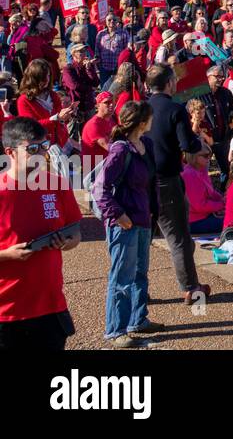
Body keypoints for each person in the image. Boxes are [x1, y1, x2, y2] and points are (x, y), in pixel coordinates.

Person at [0, 117, 82, 350]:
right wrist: (7, 255)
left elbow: (75, 232)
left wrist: (67, 242)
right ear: (10, 152)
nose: (41, 154)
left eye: (44, 147)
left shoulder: (56, 184)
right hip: (6, 312)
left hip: (50, 307)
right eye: (32, 149)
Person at [92, 101, 164, 347]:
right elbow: (99, 189)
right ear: (142, 122)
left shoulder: (147, 145)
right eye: (150, 118)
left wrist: (154, 212)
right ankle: (115, 330)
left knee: (140, 273)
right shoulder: (121, 150)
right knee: (121, 277)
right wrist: (118, 215)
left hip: (143, 219)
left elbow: (151, 182)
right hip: (124, 223)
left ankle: (137, 319)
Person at [145, 64, 208, 306]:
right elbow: (188, 145)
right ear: (170, 83)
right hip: (167, 180)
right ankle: (191, 287)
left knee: (143, 238)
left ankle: (140, 290)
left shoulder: (142, 107)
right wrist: (196, 141)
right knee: (178, 236)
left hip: (142, 180)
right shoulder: (175, 109)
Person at [182, 145, 225, 234]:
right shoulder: (190, 174)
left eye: (210, 155)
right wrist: (222, 204)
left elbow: (212, 192)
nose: (209, 158)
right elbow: (200, 205)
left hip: (204, 216)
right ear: (194, 156)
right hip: (194, 222)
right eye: (205, 156)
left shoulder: (202, 170)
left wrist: (224, 199)